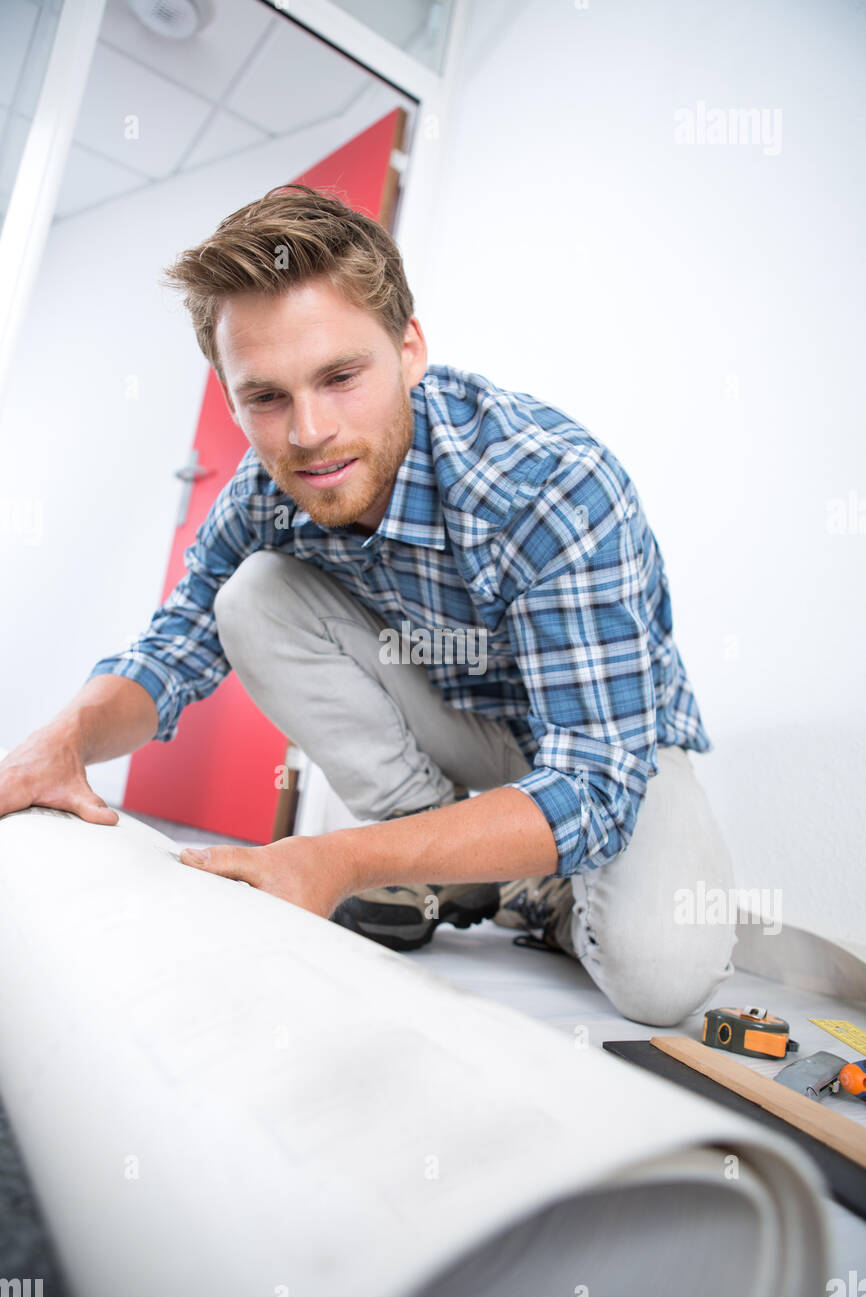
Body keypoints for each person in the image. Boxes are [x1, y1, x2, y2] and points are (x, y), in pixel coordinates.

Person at [0, 183, 737, 1027]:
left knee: (662, 978)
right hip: (464, 719)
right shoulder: (262, 493)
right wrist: (63, 741)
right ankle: (453, 867)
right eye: (265, 397)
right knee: (254, 595)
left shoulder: (550, 484)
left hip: (607, 743)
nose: (308, 432)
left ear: (409, 349)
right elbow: (174, 649)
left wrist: (337, 860)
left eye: (341, 377)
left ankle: (531, 889)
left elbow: (598, 783)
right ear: (232, 396)